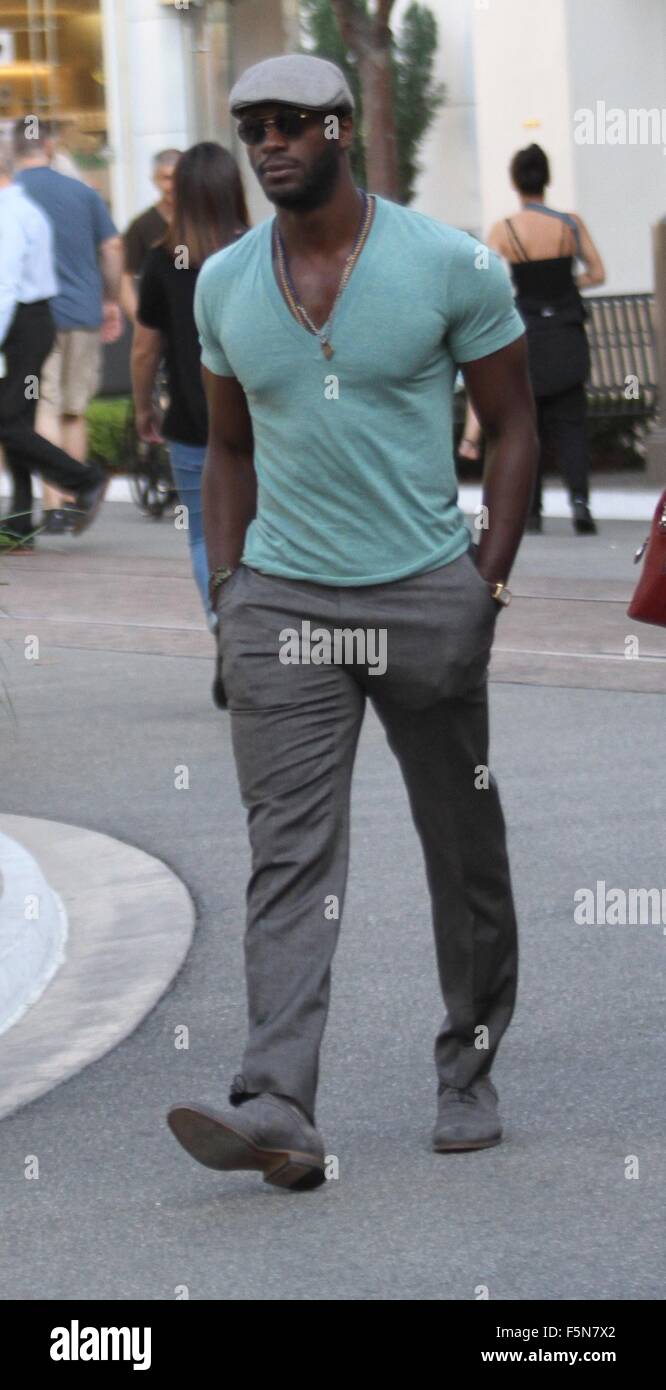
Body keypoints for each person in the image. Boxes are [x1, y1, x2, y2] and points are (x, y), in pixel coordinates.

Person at [166, 54, 538, 1191]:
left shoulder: (447, 263)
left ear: (340, 132)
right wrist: (230, 592)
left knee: (460, 845)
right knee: (288, 854)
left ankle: (467, 1064)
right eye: (252, 127)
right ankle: (279, 1100)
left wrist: (487, 582)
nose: (270, 142)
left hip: (425, 589)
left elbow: (514, 426)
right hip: (283, 600)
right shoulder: (224, 282)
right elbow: (227, 450)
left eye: (291, 124)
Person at [460, 143, 605, 534]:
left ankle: (533, 510)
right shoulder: (570, 223)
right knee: (572, 422)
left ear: (514, 181)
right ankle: (580, 503)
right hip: (567, 330)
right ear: (548, 178)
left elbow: (484, 277)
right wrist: (566, 284)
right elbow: (598, 272)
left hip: (529, 334)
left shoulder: (504, 230)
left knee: (529, 420)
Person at [131, 142, 249, 625]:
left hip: (192, 423)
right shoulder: (260, 251)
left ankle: (224, 627)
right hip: (260, 423)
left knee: (205, 535)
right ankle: (257, 636)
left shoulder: (163, 261)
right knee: (261, 532)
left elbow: (144, 349)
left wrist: (143, 409)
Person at [13, 118, 122, 534]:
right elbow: (112, 246)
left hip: (35, 317)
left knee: (45, 406)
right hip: (83, 315)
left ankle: (54, 505)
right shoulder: (83, 193)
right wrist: (109, 300)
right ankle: (78, 501)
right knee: (75, 409)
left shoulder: (14, 196)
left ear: (14, 149)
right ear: (51, 145)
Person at [121, 149, 181, 323]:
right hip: (160, 320)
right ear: (154, 180)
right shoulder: (142, 226)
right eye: (167, 178)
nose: (174, 185)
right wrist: (141, 323)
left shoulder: (203, 219)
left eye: (179, 177)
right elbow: (125, 276)